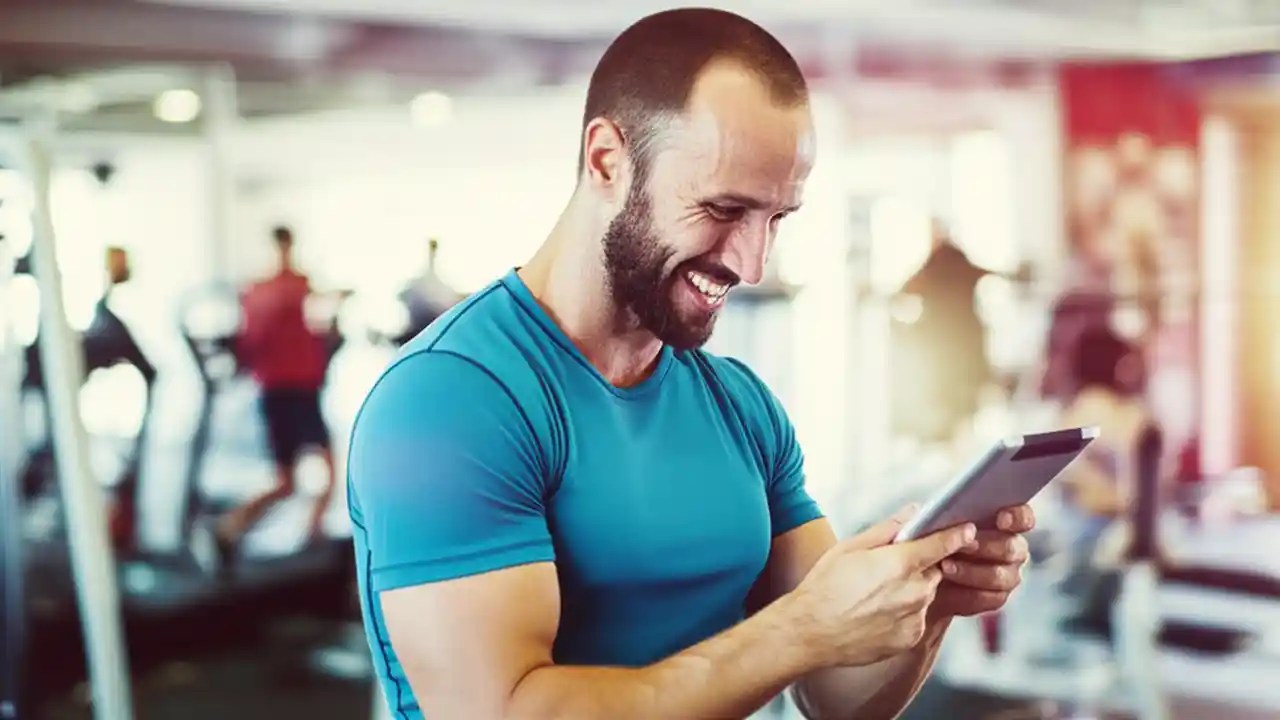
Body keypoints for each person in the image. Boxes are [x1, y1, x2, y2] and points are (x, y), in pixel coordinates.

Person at [347, 9, 1036, 720]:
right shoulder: (449, 399)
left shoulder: (740, 405)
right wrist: (797, 630)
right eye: (725, 208)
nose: (753, 262)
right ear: (607, 160)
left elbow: (838, 696)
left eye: (776, 218)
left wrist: (927, 598)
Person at [215, 226, 335, 562]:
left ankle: (310, 538)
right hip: (283, 391)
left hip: (301, 388)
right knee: (290, 480)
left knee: (320, 473)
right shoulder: (271, 289)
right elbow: (250, 341)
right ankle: (230, 528)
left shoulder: (296, 285)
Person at [892, 220, 994, 444]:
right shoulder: (952, 262)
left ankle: (953, 439)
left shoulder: (938, 262)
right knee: (958, 397)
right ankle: (956, 438)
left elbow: (906, 290)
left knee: (950, 394)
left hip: (946, 341)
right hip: (961, 340)